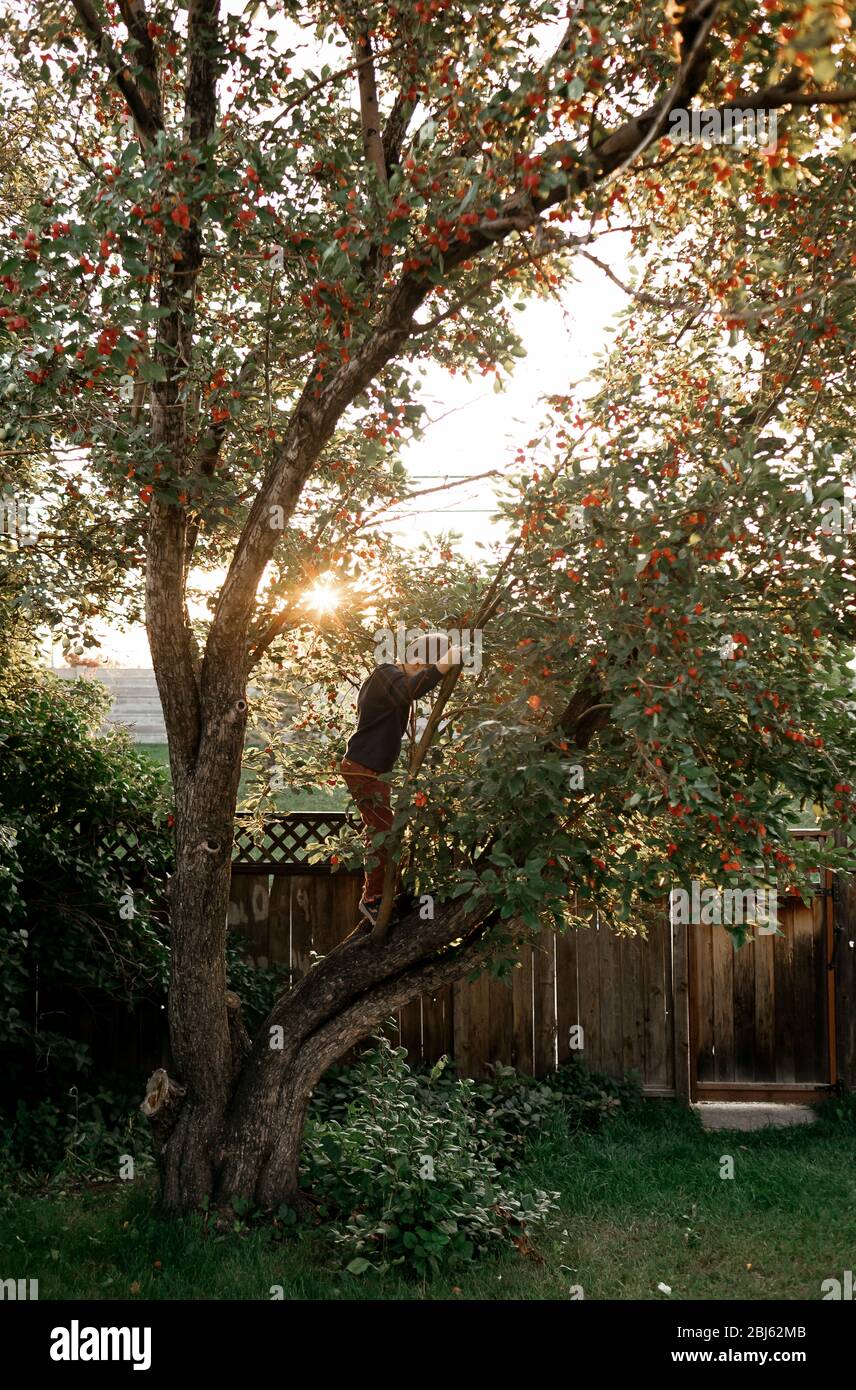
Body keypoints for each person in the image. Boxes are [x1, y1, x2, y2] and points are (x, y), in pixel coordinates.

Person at [341, 632, 461, 926]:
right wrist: (447, 662)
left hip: (374, 768)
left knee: (386, 831)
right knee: (383, 833)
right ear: (417, 661)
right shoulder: (386, 674)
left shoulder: (390, 678)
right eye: (425, 668)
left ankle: (386, 893)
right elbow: (412, 689)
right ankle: (372, 899)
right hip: (363, 767)